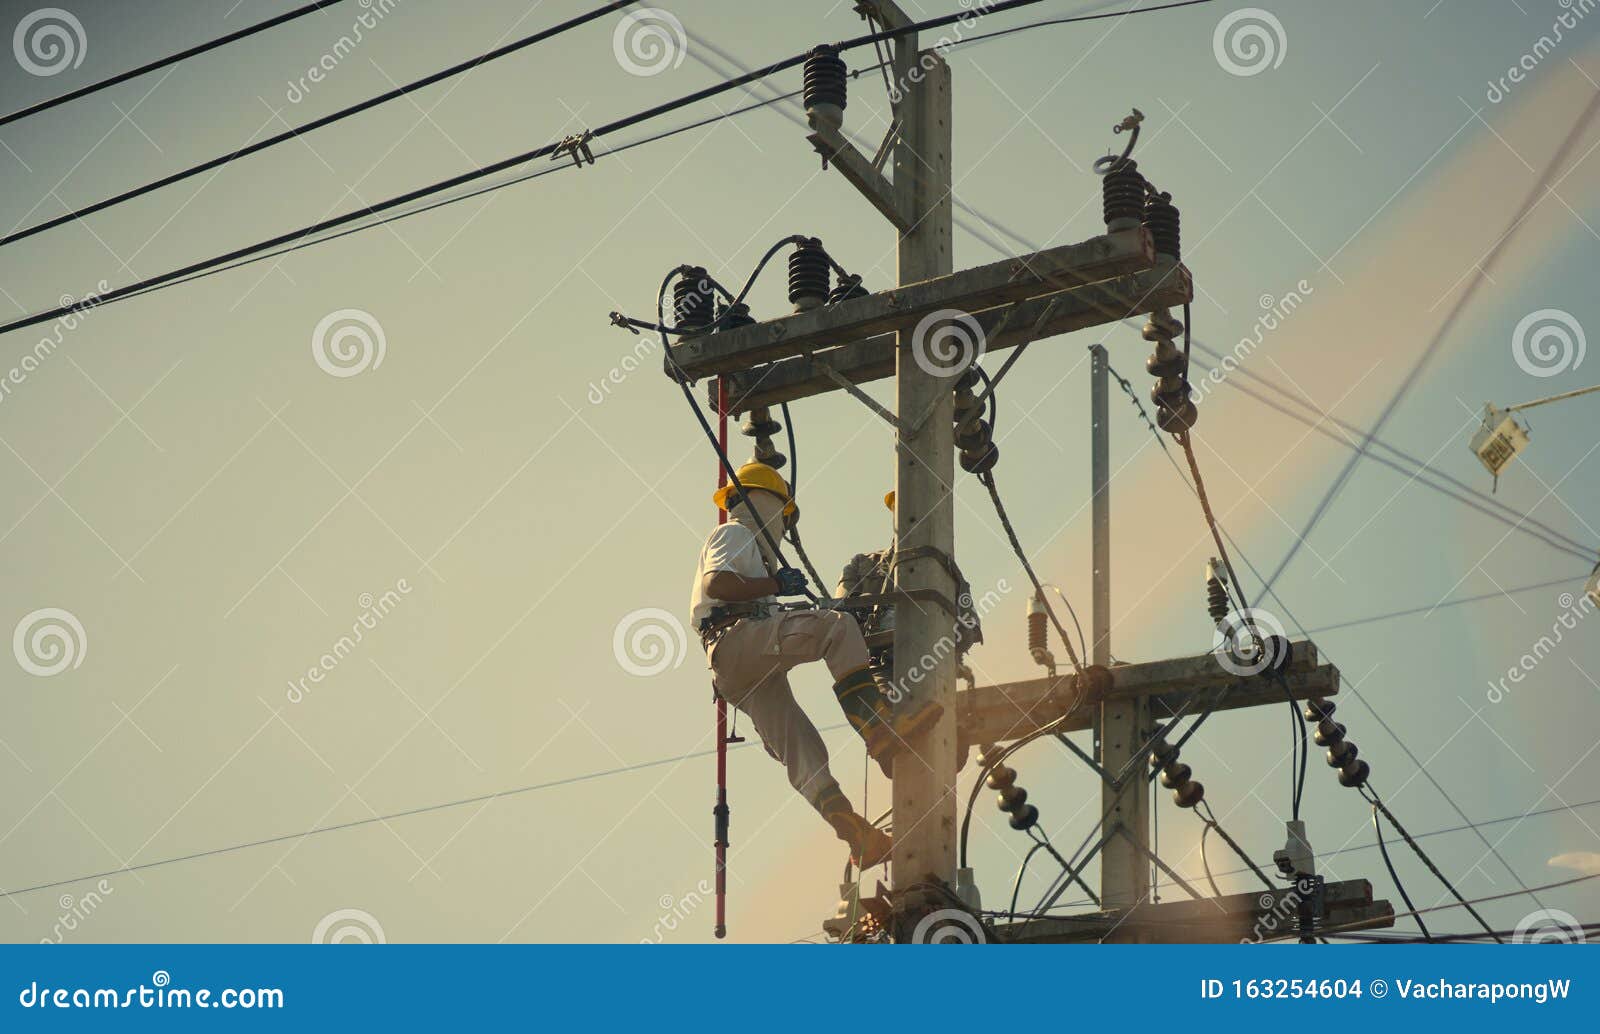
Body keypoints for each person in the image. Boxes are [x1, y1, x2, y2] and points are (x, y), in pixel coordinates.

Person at [691, 462, 940, 868]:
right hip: (735, 640)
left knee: (802, 750)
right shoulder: (735, 533)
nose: (783, 528)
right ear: (769, 506)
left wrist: (776, 592)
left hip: (734, 668)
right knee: (837, 628)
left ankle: (856, 834)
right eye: (783, 517)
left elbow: (755, 609)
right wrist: (776, 586)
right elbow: (717, 584)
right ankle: (878, 729)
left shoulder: (756, 556)